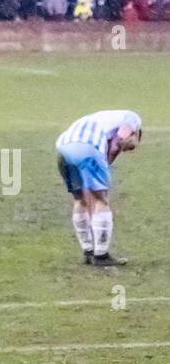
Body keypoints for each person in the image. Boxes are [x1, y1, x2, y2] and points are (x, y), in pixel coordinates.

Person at [56, 110, 142, 266]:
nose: (129, 150)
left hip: (63, 148)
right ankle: (101, 256)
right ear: (137, 133)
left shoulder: (100, 119)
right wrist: (126, 144)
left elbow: (114, 145)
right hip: (88, 147)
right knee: (101, 200)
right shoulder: (133, 117)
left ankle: (88, 251)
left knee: (80, 199)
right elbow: (123, 137)